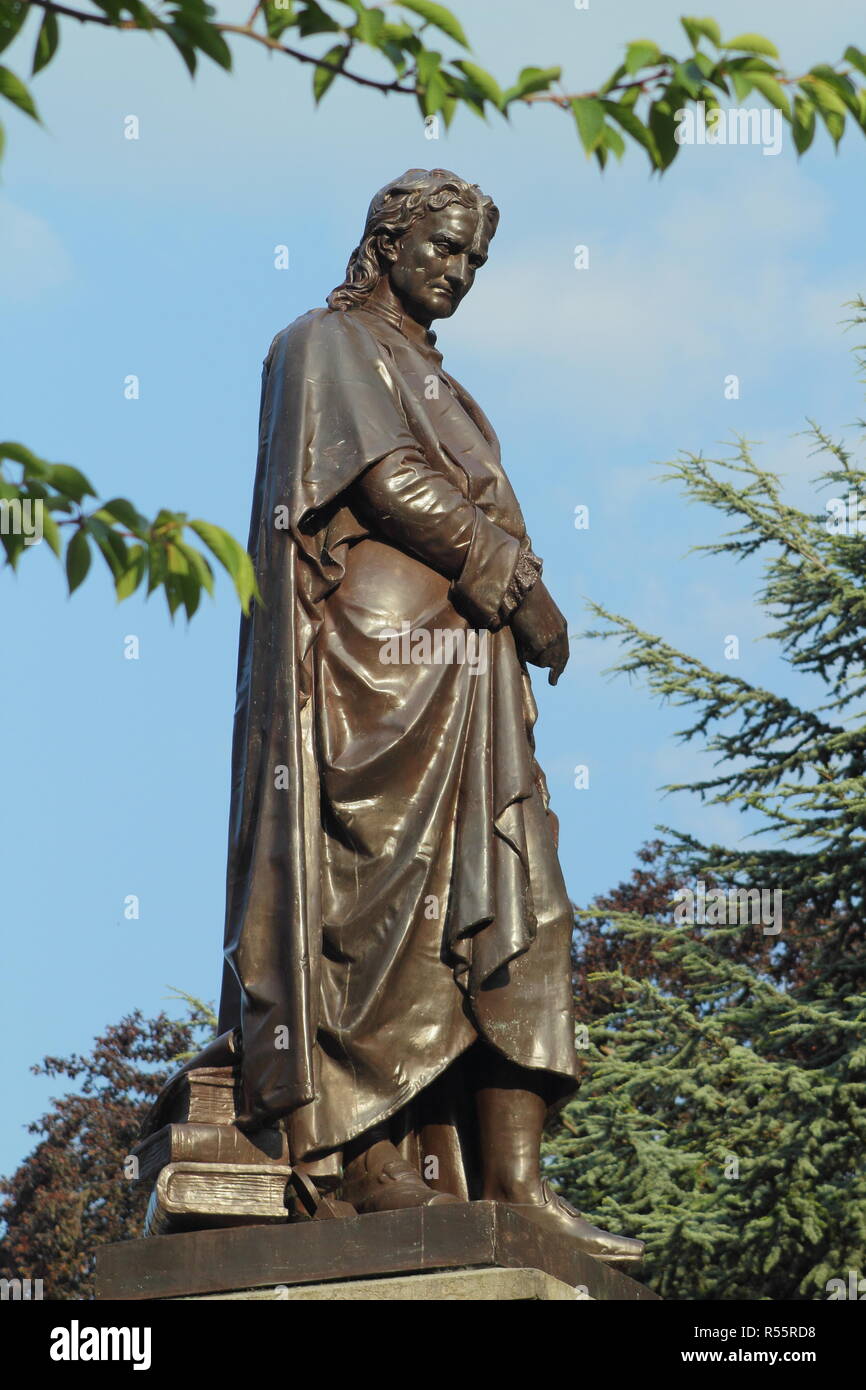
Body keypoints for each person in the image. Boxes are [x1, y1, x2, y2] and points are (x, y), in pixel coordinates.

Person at [217, 168, 643, 1262]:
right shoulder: (325, 341)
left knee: (518, 901)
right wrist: (521, 586)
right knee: (381, 917)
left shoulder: (429, 369)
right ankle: (366, 1155)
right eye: (441, 248)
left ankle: (515, 1181)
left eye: (472, 260)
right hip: (379, 679)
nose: (455, 273)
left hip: (468, 677)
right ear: (385, 239)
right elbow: (391, 482)